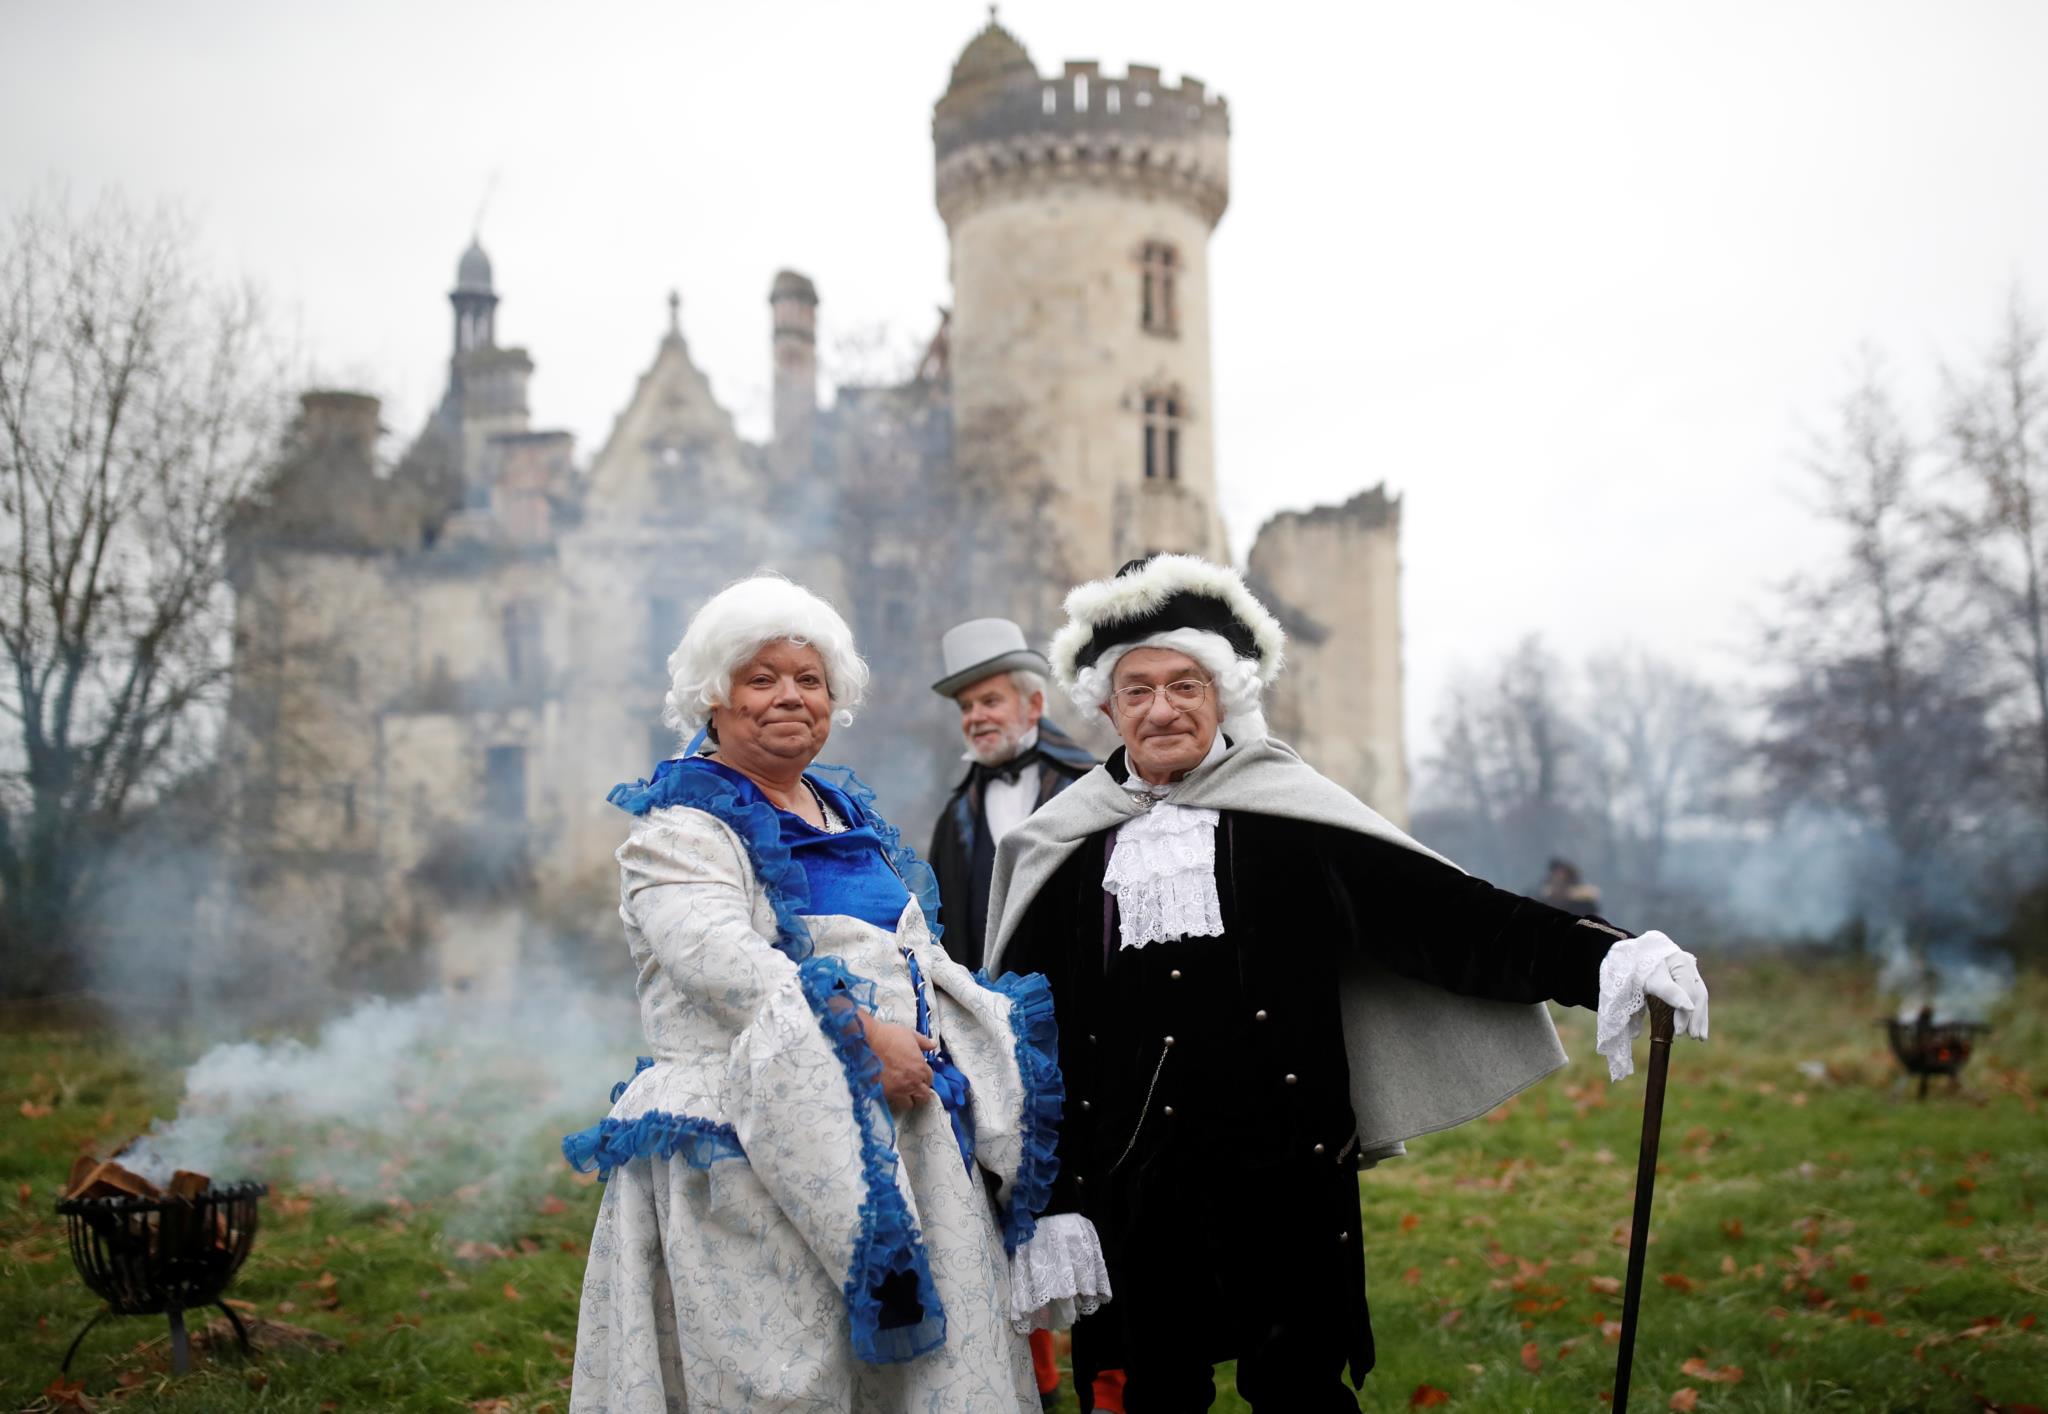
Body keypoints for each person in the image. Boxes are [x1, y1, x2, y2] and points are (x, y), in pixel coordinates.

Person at [985, 554, 1712, 1413]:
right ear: (1106, 706)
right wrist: (1056, 1196)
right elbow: (1030, 1033)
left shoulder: (1289, 816)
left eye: (1185, 685)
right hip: (1132, 1181)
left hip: (1283, 1169)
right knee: (1153, 1394)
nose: (1162, 709)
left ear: (1224, 693)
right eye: (1137, 691)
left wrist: (1604, 957)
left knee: (1301, 1393)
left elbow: (1448, 916)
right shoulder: (1063, 846)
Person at [563, 575, 1063, 1413]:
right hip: (750, 1137)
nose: (789, 697)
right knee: (782, 1380)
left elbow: (915, 953)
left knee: (913, 1382)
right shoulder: (681, 827)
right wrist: (865, 1035)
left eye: (810, 680)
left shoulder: (840, 811)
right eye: (761, 679)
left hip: (903, 1136)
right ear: (712, 699)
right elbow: (719, 961)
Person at [926, 618, 1107, 1411]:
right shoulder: (954, 814)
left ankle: (1113, 1380)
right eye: (966, 705)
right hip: (990, 1038)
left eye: (989, 698)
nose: (976, 717)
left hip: (1091, 1030)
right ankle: (1025, 1381)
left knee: (1102, 1204)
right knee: (1000, 1202)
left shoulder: (1095, 786)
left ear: (1033, 701)